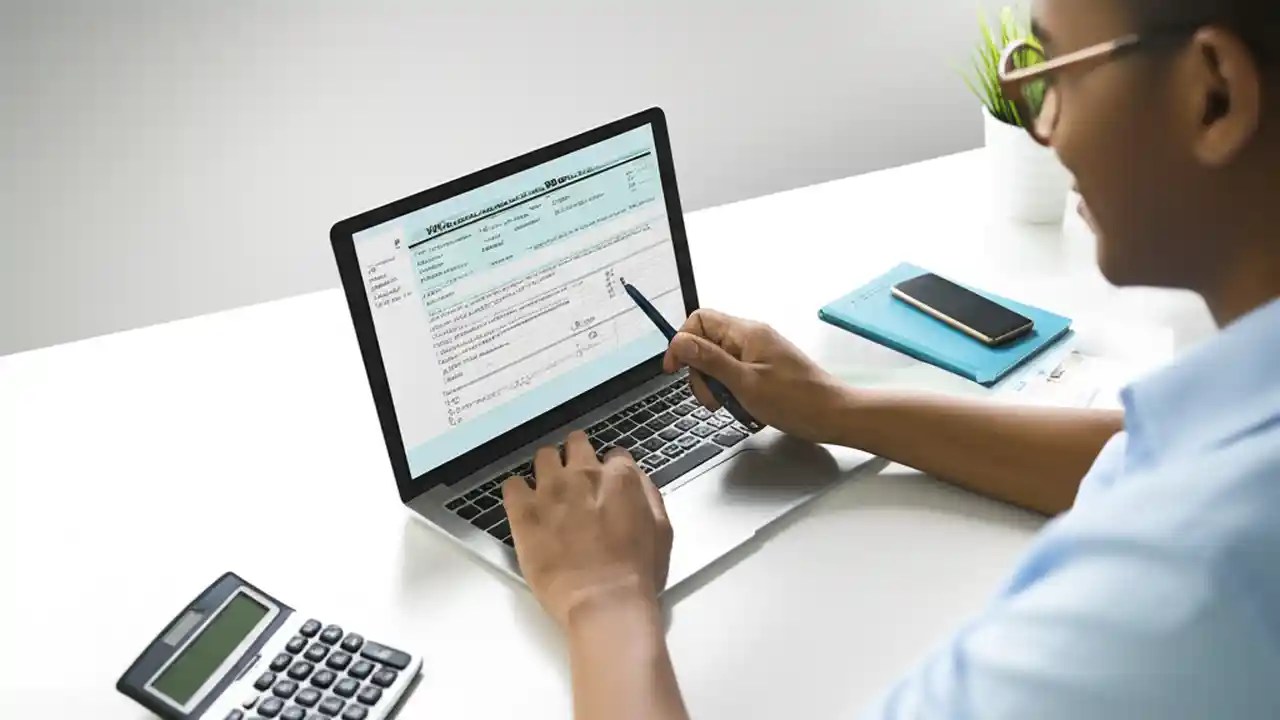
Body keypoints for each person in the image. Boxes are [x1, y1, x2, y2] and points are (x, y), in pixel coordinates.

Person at [500, 0, 1280, 716]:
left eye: (1059, 73)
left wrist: (600, 597)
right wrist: (839, 409)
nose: (1047, 128)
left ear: (1213, 95)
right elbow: (1134, 458)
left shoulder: (1180, 589)